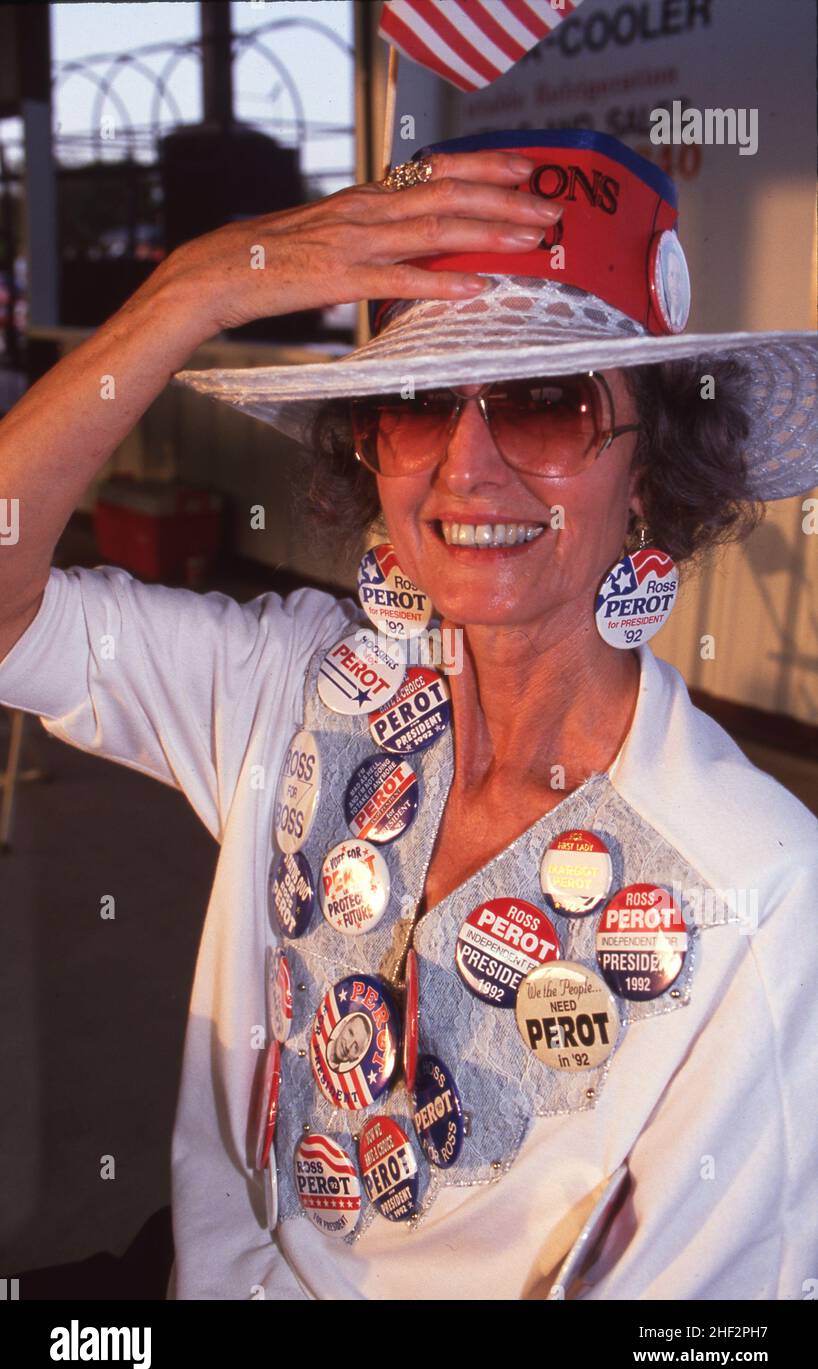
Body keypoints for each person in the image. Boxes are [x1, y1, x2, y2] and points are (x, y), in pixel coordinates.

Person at [0, 129, 816, 1301]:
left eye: (544, 403)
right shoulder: (297, 685)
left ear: (648, 466)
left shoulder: (758, 887)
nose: (464, 469)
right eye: (419, 402)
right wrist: (198, 286)